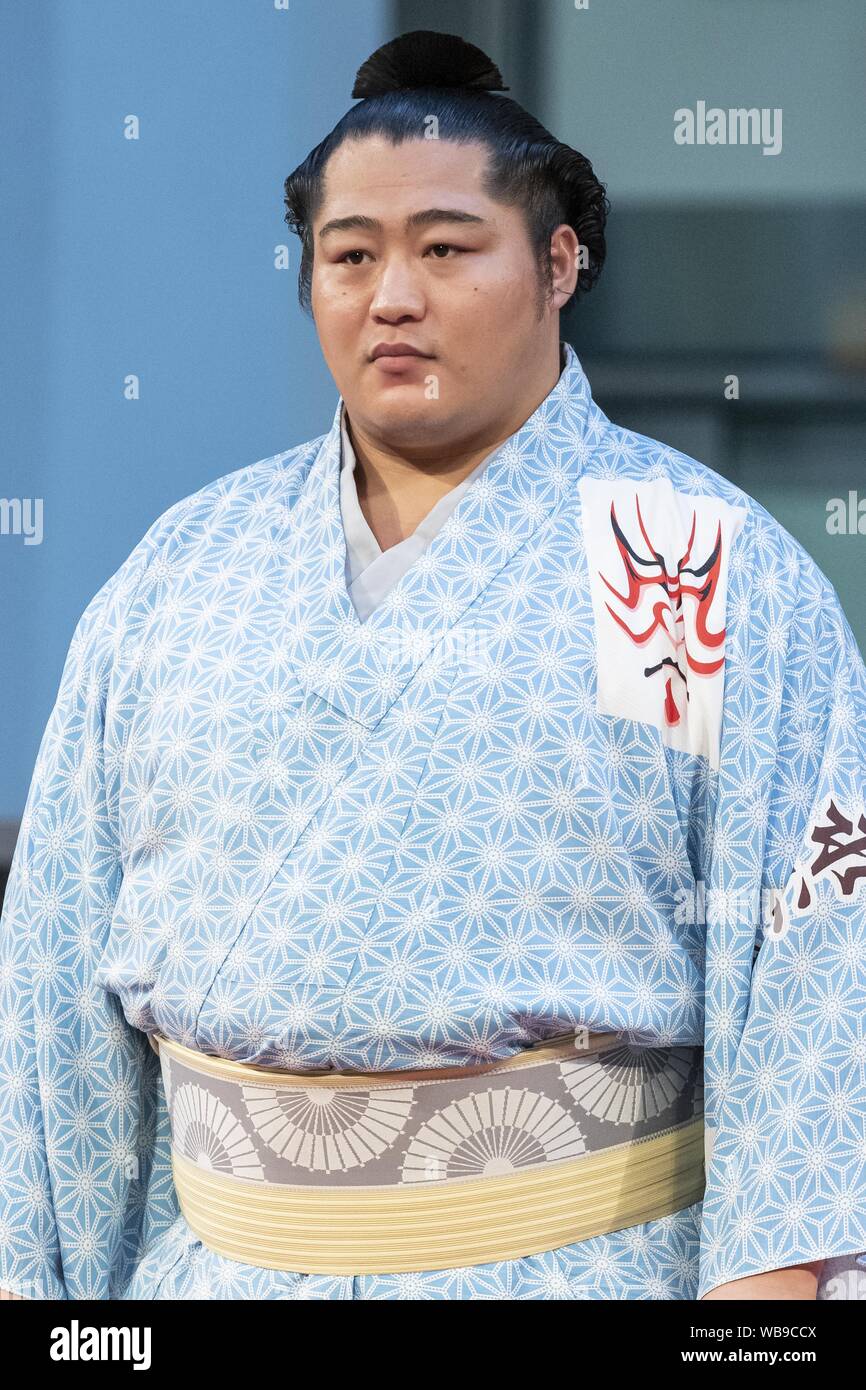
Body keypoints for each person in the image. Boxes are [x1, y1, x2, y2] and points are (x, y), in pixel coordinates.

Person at [1, 29, 864, 1303]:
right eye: (350, 256)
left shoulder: (675, 558)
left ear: (558, 263)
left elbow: (811, 969)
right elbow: (51, 977)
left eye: (446, 249)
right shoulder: (180, 574)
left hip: (587, 1271)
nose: (390, 296)